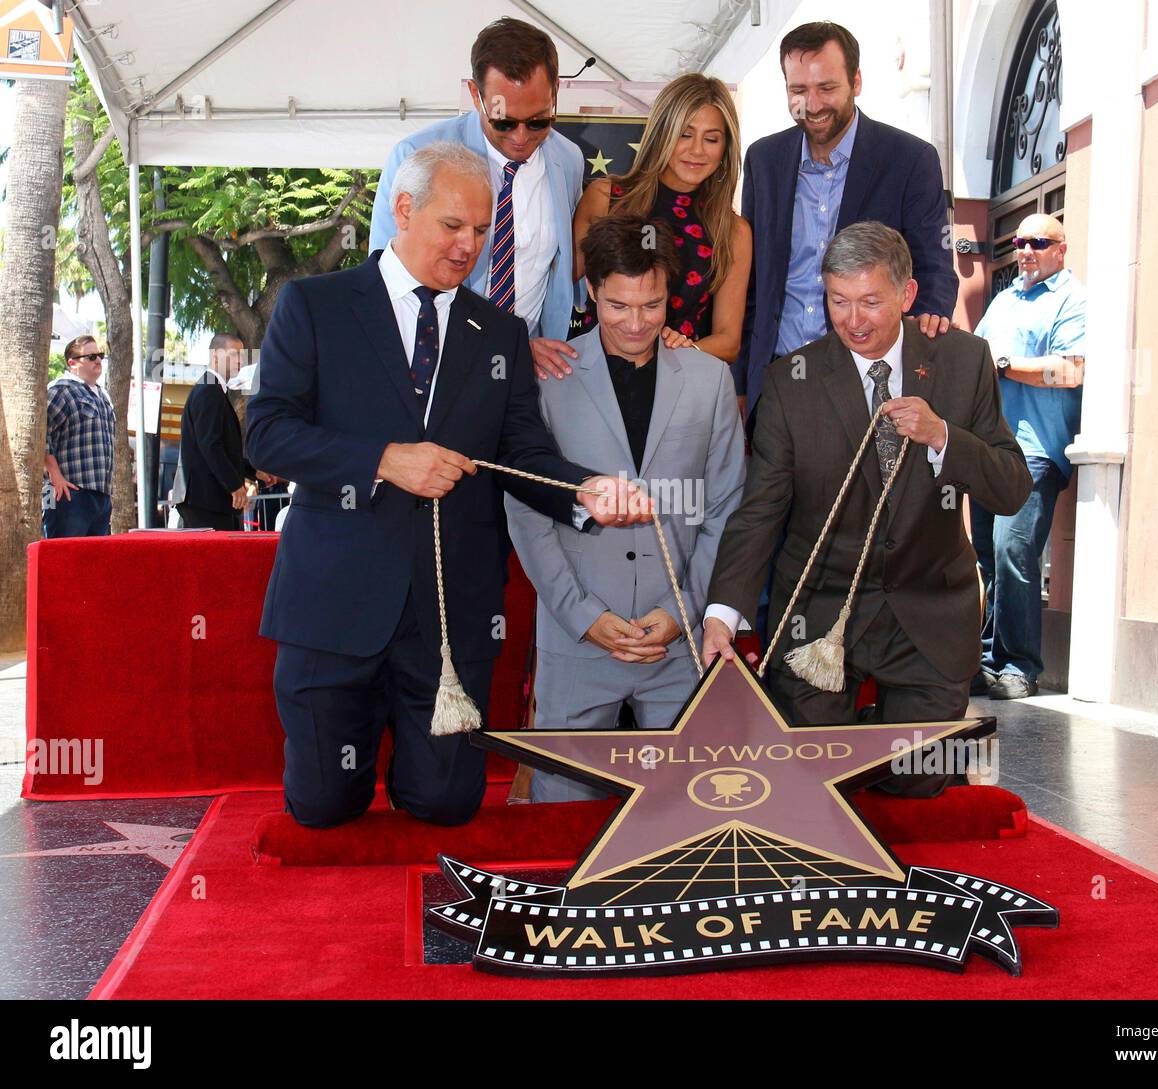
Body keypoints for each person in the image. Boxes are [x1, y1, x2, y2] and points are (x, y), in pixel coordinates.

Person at [246, 143, 651, 829]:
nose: (470, 245)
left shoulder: (499, 333)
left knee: (446, 804)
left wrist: (584, 492)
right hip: (334, 603)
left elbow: (524, 452)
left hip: (450, 615)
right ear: (404, 210)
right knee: (322, 807)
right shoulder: (314, 306)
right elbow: (267, 434)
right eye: (452, 226)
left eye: (481, 228)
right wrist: (384, 459)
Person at [701, 222, 1030, 797]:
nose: (853, 320)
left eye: (871, 302)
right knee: (815, 784)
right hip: (818, 615)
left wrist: (943, 437)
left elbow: (1011, 488)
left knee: (918, 786)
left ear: (907, 296)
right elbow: (761, 511)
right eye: (838, 301)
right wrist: (722, 615)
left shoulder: (963, 359)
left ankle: (917, 751)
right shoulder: (790, 380)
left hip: (929, 612)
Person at [506, 214, 746, 802]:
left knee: (689, 817)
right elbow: (527, 507)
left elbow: (725, 509)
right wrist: (583, 616)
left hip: (678, 644)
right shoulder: (545, 375)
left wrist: (683, 610)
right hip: (576, 639)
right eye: (618, 306)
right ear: (590, 291)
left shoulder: (709, 379)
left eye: (652, 305)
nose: (636, 324)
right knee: (561, 819)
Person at [735, 21, 958, 419]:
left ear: (856, 81)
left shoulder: (909, 160)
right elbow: (752, 286)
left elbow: (933, 268)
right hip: (776, 382)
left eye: (827, 88)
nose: (813, 104)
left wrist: (918, 354)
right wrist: (742, 384)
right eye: (798, 90)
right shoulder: (763, 161)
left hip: (867, 384)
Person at [370, 17, 584, 383]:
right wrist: (500, 345)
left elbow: (557, 276)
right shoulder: (417, 156)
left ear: (556, 94)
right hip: (436, 367)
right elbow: (387, 284)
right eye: (504, 122)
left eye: (537, 121)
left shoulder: (568, 161)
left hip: (532, 375)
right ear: (474, 94)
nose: (521, 137)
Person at [971, 213, 1086, 699]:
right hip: (987, 447)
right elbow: (974, 358)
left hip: (1036, 448)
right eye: (1020, 241)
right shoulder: (1003, 299)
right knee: (985, 556)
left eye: (1039, 241)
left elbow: (1069, 371)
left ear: (1061, 249)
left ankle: (1020, 665)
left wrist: (1003, 364)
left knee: (1012, 550)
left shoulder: (1073, 300)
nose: (1026, 249)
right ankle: (985, 660)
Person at [572, 74, 752, 370]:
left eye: (711, 138)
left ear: (725, 149)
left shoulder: (733, 232)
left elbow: (728, 341)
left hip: (680, 384)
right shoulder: (606, 198)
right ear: (662, 134)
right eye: (684, 134)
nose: (697, 150)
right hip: (595, 374)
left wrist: (680, 350)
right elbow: (560, 284)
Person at [172, 333, 259, 530]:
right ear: (215, 356)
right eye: (233, 354)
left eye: (241, 355)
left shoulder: (214, 390)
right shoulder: (208, 390)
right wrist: (235, 486)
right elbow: (211, 446)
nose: (240, 360)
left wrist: (255, 471)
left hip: (210, 501)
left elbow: (221, 449)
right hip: (206, 502)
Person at [43, 335, 116, 538]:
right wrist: (55, 476)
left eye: (100, 355)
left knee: (92, 566)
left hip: (101, 497)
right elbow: (41, 434)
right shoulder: (61, 390)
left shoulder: (103, 395)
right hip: (70, 495)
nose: (99, 360)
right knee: (65, 564)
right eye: (91, 356)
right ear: (72, 363)